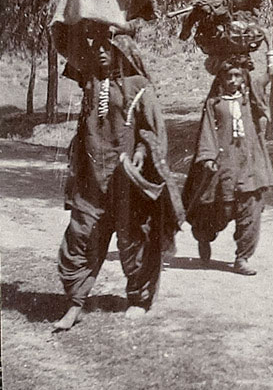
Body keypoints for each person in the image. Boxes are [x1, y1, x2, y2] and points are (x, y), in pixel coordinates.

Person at [53, 27, 184, 331]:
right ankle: (75, 303)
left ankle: (138, 299)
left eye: (107, 47)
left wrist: (141, 150)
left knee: (133, 239)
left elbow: (152, 130)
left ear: (121, 51)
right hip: (92, 178)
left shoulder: (139, 86)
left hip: (126, 179)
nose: (100, 52)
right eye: (95, 46)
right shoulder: (91, 82)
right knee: (82, 235)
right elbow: (64, 43)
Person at [182, 55, 273, 275]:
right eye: (228, 76)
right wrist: (207, 157)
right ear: (221, 79)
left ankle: (242, 258)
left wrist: (271, 53)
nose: (233, 80)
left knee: (251, 211)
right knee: (219, 211)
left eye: (237, 76)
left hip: (250, 164)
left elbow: (270, 76)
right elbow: (206, 132)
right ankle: (204, 236)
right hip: (224, 166)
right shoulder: (214, 104)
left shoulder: (250, 99)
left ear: (244, 78)